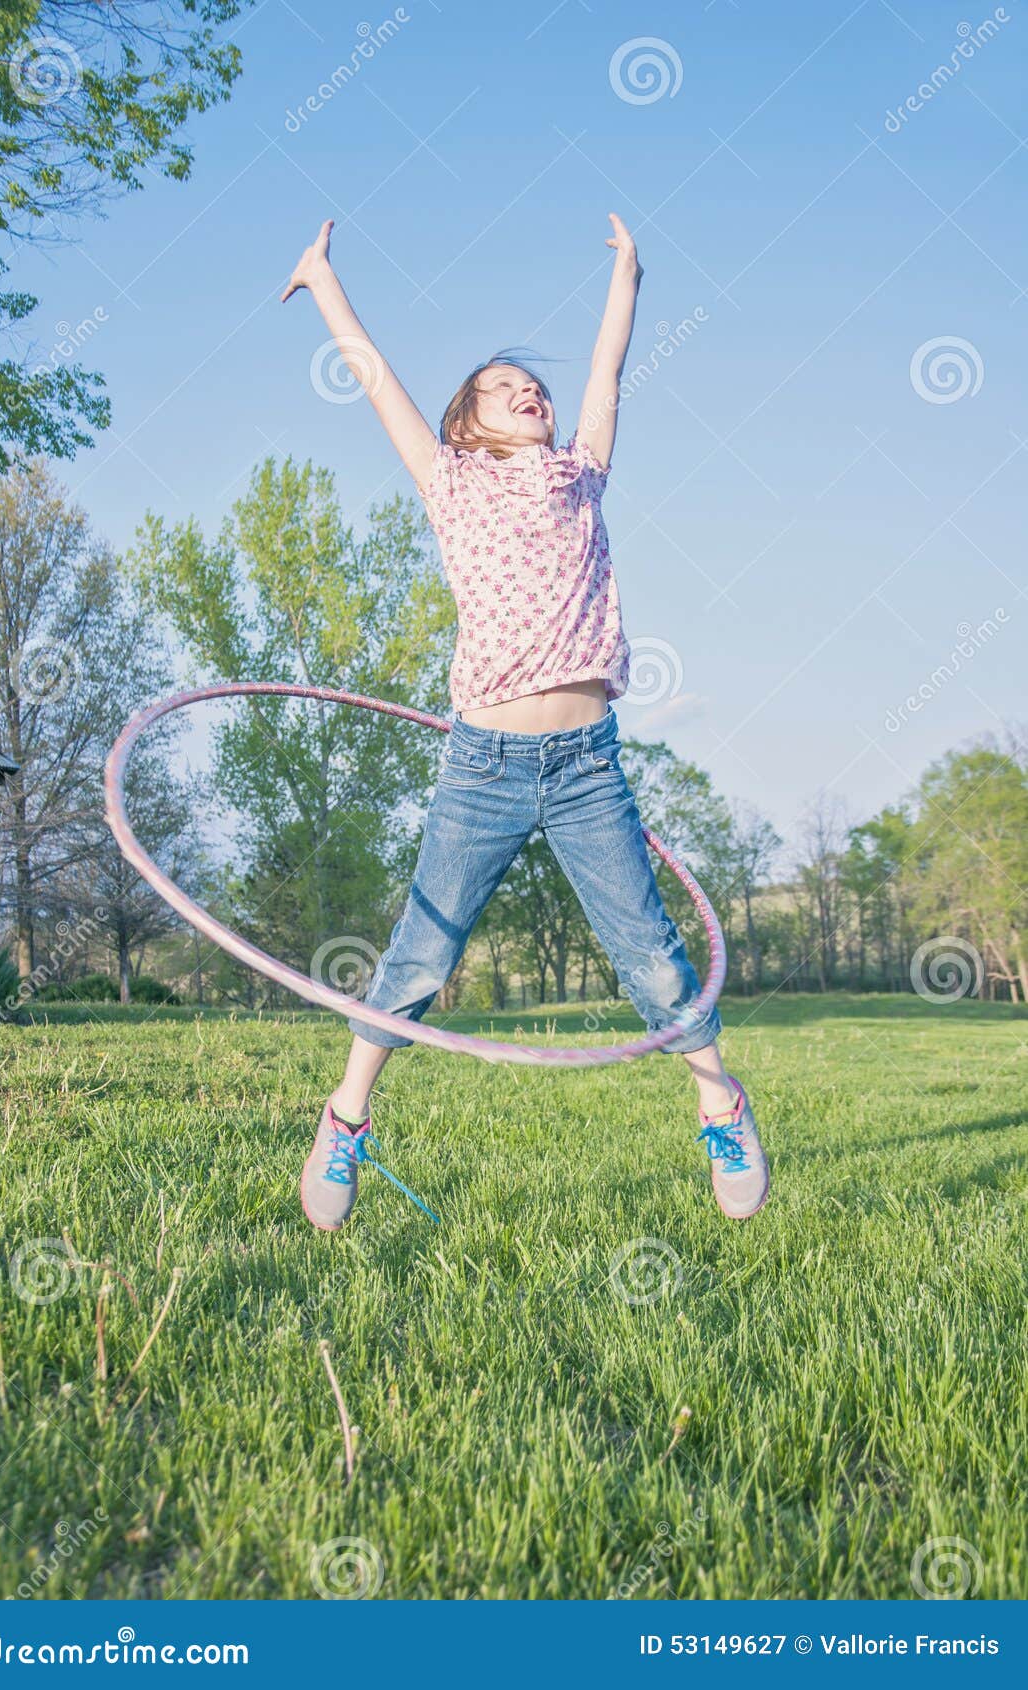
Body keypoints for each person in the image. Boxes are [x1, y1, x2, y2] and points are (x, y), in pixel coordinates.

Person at [281, 214, 769, 1232]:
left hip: (587, 763)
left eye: (532, 386)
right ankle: (344, 1119)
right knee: (422, 951)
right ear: (469, 423)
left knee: (646, 950)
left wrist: (630, 268)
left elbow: (607, 366)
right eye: (507, 389)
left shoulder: (580, 472)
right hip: (485, 763)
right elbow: (373, 378)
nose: (530, 393)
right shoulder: (447, 479)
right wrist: (323, 281)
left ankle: (720, 1102)